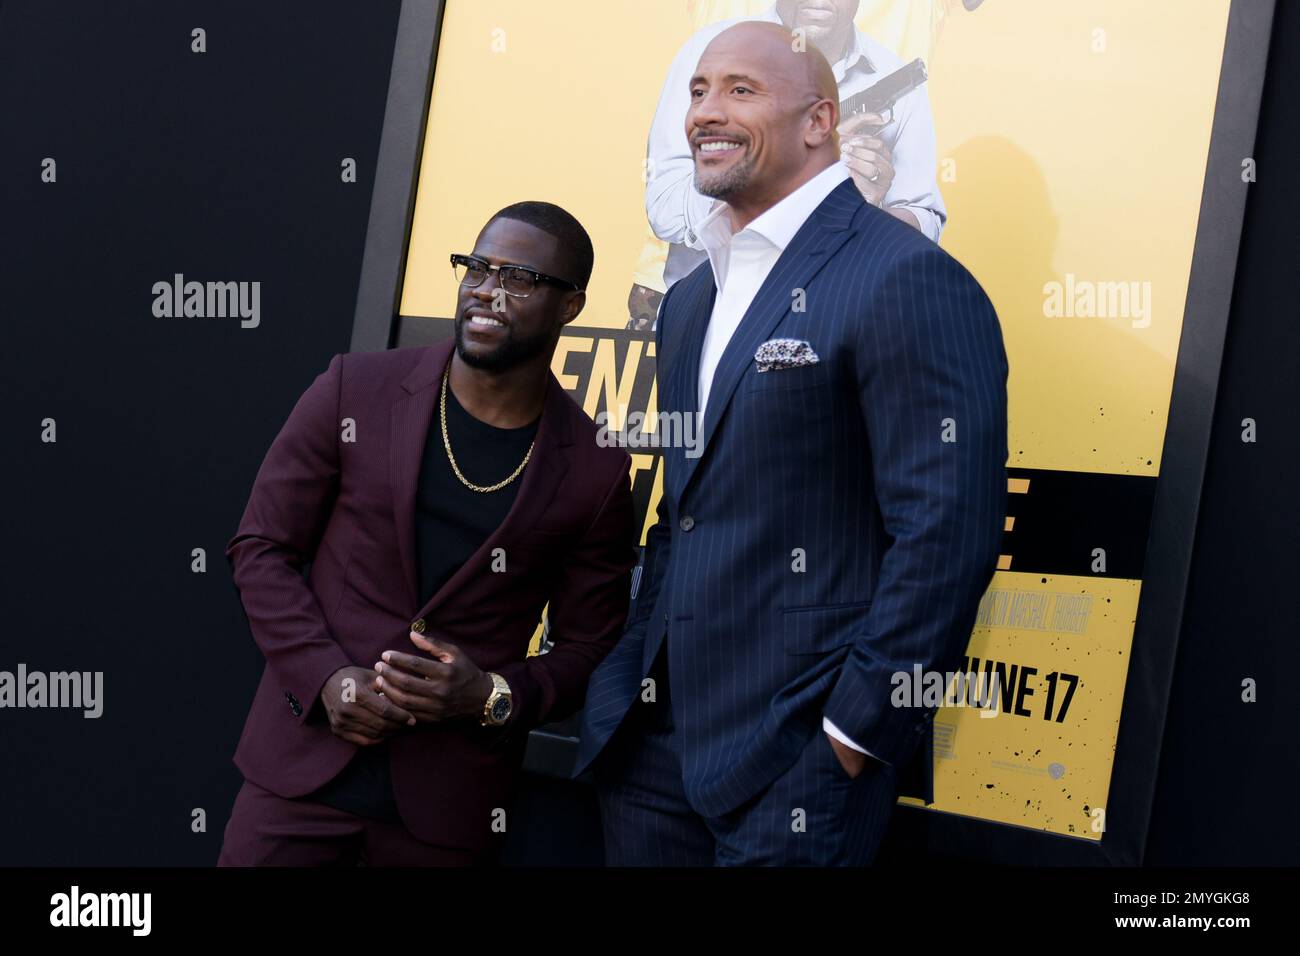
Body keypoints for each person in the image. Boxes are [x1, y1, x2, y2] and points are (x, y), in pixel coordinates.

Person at [576, 21, 1007, 865]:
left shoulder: (903, 276)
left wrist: (853, 735)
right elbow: (683, 515)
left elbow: (947, 537)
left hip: (800, 766)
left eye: (741, 89)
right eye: (699, 91)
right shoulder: (691, 296)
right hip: (651, 751)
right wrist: (626, 677)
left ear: (819, 123)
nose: (706, 111)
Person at [218, 203, 638, 866]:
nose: (487, 293)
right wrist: (326, 677)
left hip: (448, 813)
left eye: (520, 279)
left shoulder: (596, 468)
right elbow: (261, 548)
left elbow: (590, 646)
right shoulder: (355, 391)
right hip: (298, 784)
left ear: (571, 306)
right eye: (478, 268)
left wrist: (491, 696)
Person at [627, 0, 948, 329]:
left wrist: (864, 213)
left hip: (826, 329)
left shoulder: (894, 76)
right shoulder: (709, 54)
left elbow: (922, 219)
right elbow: (665, 208)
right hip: (707, 322)